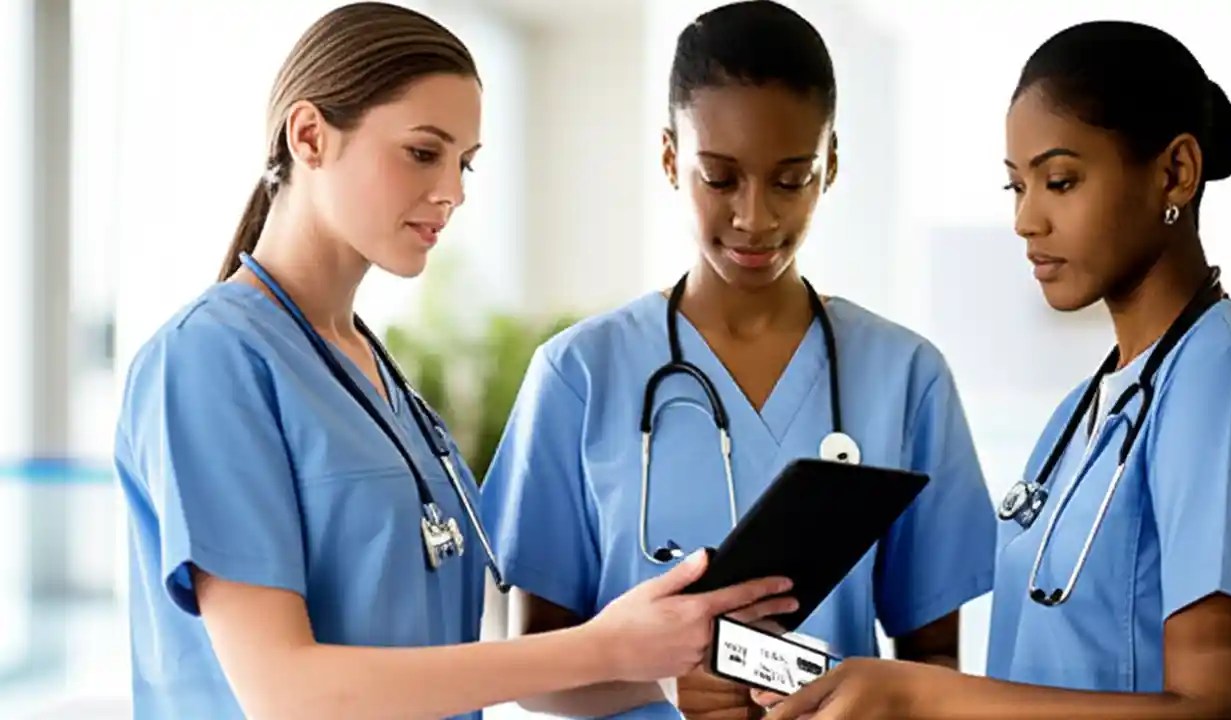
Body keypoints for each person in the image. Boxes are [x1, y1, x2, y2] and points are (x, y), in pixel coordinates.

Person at [112, 3, 797, 719]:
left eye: (464, 163)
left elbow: (454, 665)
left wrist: (664, 662)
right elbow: (287, 693)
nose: (453, 192)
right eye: (422, 152)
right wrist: (605, 647)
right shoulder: (209, 360)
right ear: (310, 135)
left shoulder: (385, 386)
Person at [477, 3, 997, 719]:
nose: (756, 217)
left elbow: (935, 663)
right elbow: (529, 671)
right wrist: (659, 680)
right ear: (669, 158)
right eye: (720, 178)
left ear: (831, 165)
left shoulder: (905, 377)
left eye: (791, 179)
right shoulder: (580, 374)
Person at [760, 20, 1231, 720]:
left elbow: (1221, 709)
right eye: (1016, 188)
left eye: (1060, 181)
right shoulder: (1082, 415)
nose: (1027, 220)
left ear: (1175, 172)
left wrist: (926, 696)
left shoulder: (1224, 381)